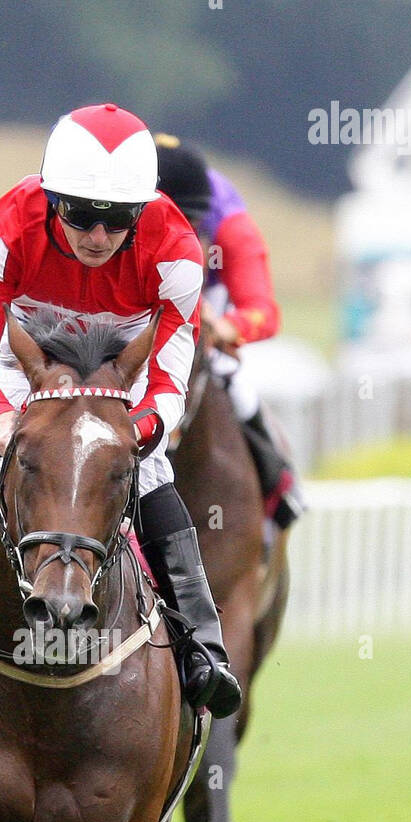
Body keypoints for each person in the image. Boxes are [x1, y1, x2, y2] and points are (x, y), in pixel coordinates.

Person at [0, 103, 241, 719]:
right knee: (7, 471)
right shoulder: (2, 230)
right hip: (29, 357)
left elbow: (171, 383)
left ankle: (204, 645)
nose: (98, 236)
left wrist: (136, 432)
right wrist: (2, 424)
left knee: (152, 474)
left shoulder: (175, 250)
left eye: (119, 219)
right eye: (81, 215)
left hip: (126, 364)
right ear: (50, 200)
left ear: (142, 211)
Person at [154, 133, 304, 530]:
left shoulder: (231, 227)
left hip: (208, 303)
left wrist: (222, 327)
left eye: (186, 231)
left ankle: (279, 486)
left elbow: (263, 312)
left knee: (235, 385)